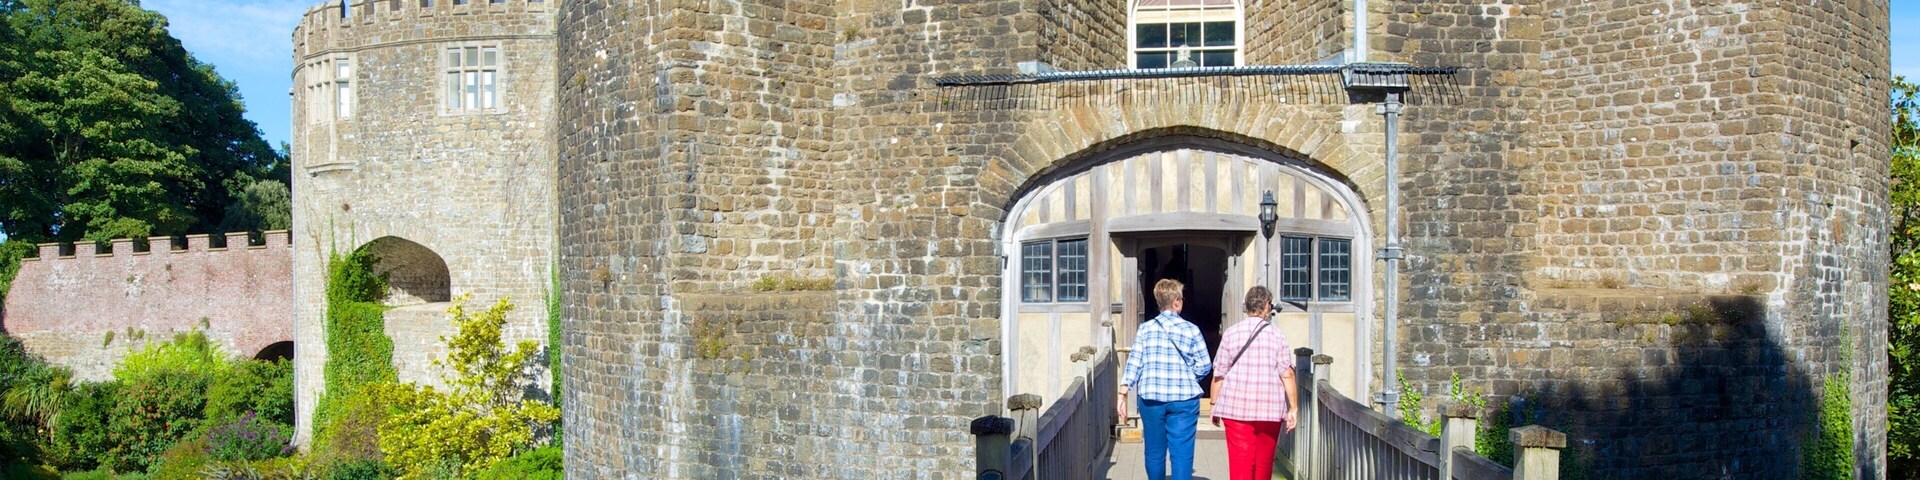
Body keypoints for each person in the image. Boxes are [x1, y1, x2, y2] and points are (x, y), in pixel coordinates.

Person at [1119, 278, 1213, 480]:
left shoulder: (1145, 329)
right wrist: (1189, 377)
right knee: (1182, 454)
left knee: (1154, 452)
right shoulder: (1191, 329)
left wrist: (1123, 391)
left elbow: (1135, 362)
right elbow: (1205, 364)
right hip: (1184, 400)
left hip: (1152, 398)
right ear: (1177, 301)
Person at [1208, 286, 1299, 480]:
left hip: (1236, 409)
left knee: (1241, 465)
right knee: (1264, 466)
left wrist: (1214, 405)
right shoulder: (1277, 335)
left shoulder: (1231, 333)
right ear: (1266, 306)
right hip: (1269, 409)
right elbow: (1287, 374)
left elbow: (1219, 373)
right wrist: (1293, 408)